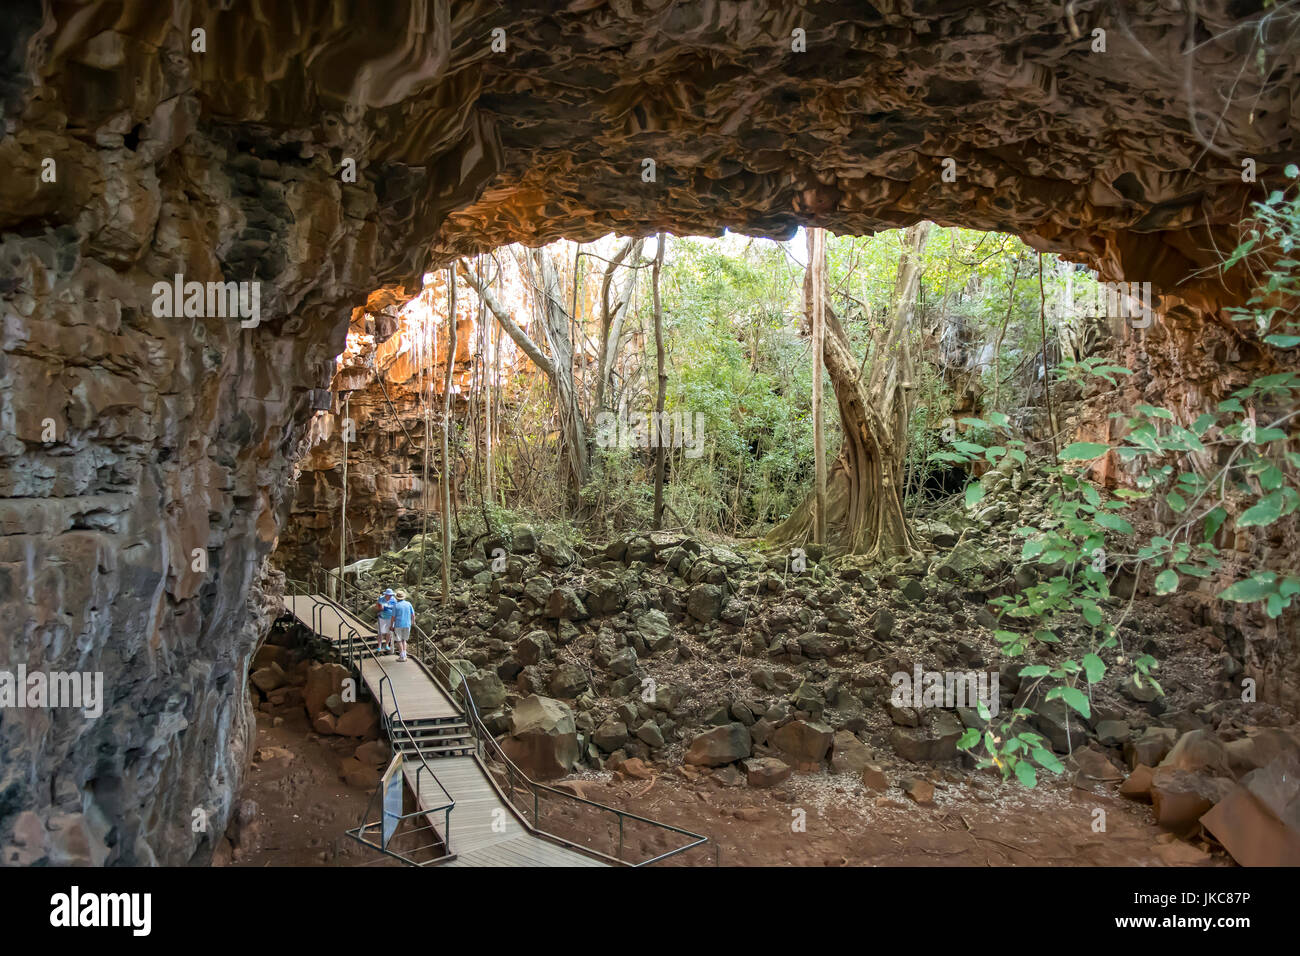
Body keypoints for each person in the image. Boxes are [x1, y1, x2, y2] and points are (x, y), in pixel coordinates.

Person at [391, 589, 414, 662]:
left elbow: (393, 617)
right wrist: (413, 622)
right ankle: (404, 654)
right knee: (404, 640)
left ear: (397, 598)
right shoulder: (408, 604)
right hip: (407, 624)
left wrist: (391, 625)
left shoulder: (396, 605)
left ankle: (402, 656)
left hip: (398, 624)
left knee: (399, 640)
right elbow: (413, 614)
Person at [374, 588, 396, 653]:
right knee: (380, 632)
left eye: (391, 595)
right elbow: (377, 606)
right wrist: (380, 608)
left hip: (390, 618)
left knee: (388, 632)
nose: (390, 596)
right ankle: (379, 646)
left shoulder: (394, 600)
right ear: (386, 595)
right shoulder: (381, 598)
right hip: (382, 617)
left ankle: (386, 644)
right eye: (389, 595)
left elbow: (395, 608)